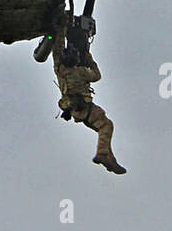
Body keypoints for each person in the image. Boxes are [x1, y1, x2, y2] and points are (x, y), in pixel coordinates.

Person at [53, 22, 126, 175]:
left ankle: (109, 157)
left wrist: (59, 30)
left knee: (102, 129)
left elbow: (57, 50)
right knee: (106, 125)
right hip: (85, 107)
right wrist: (89, 58)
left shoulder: (60, 69)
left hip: (72, 109)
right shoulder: (81, 72)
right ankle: (103, 154)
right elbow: (97, 75)